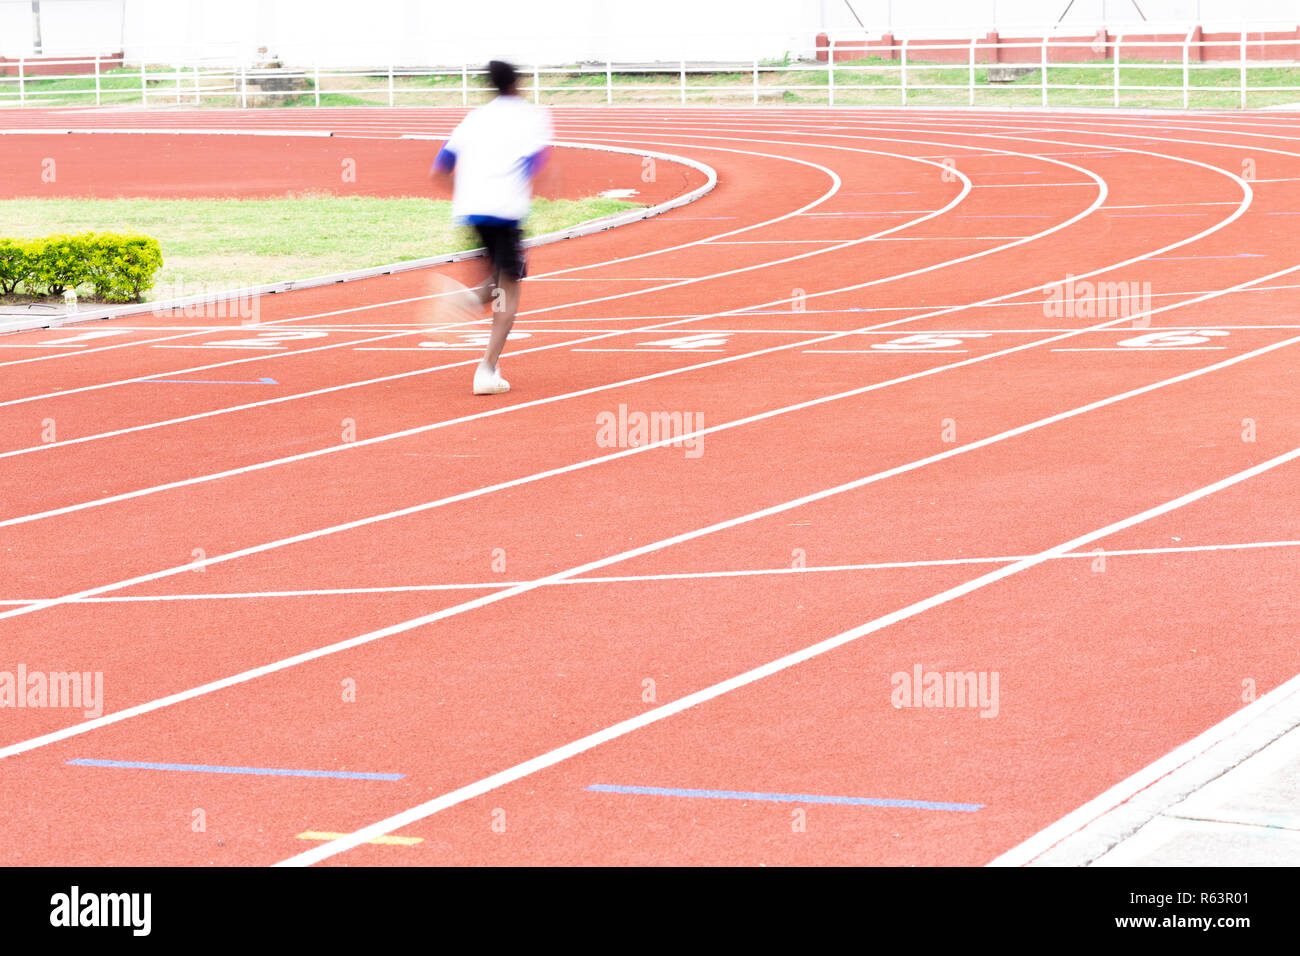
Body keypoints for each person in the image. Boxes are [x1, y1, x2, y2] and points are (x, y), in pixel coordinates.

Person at [430, 60, 552, 395]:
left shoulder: (473, 119)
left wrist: (470, 196)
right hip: (506, 211)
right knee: (508, 292)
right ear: (517, 84)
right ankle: (487, 368)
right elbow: (538, 163)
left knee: (500, 278)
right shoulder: (531, 116)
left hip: (472, 212)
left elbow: (439, 170)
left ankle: (467, 299)